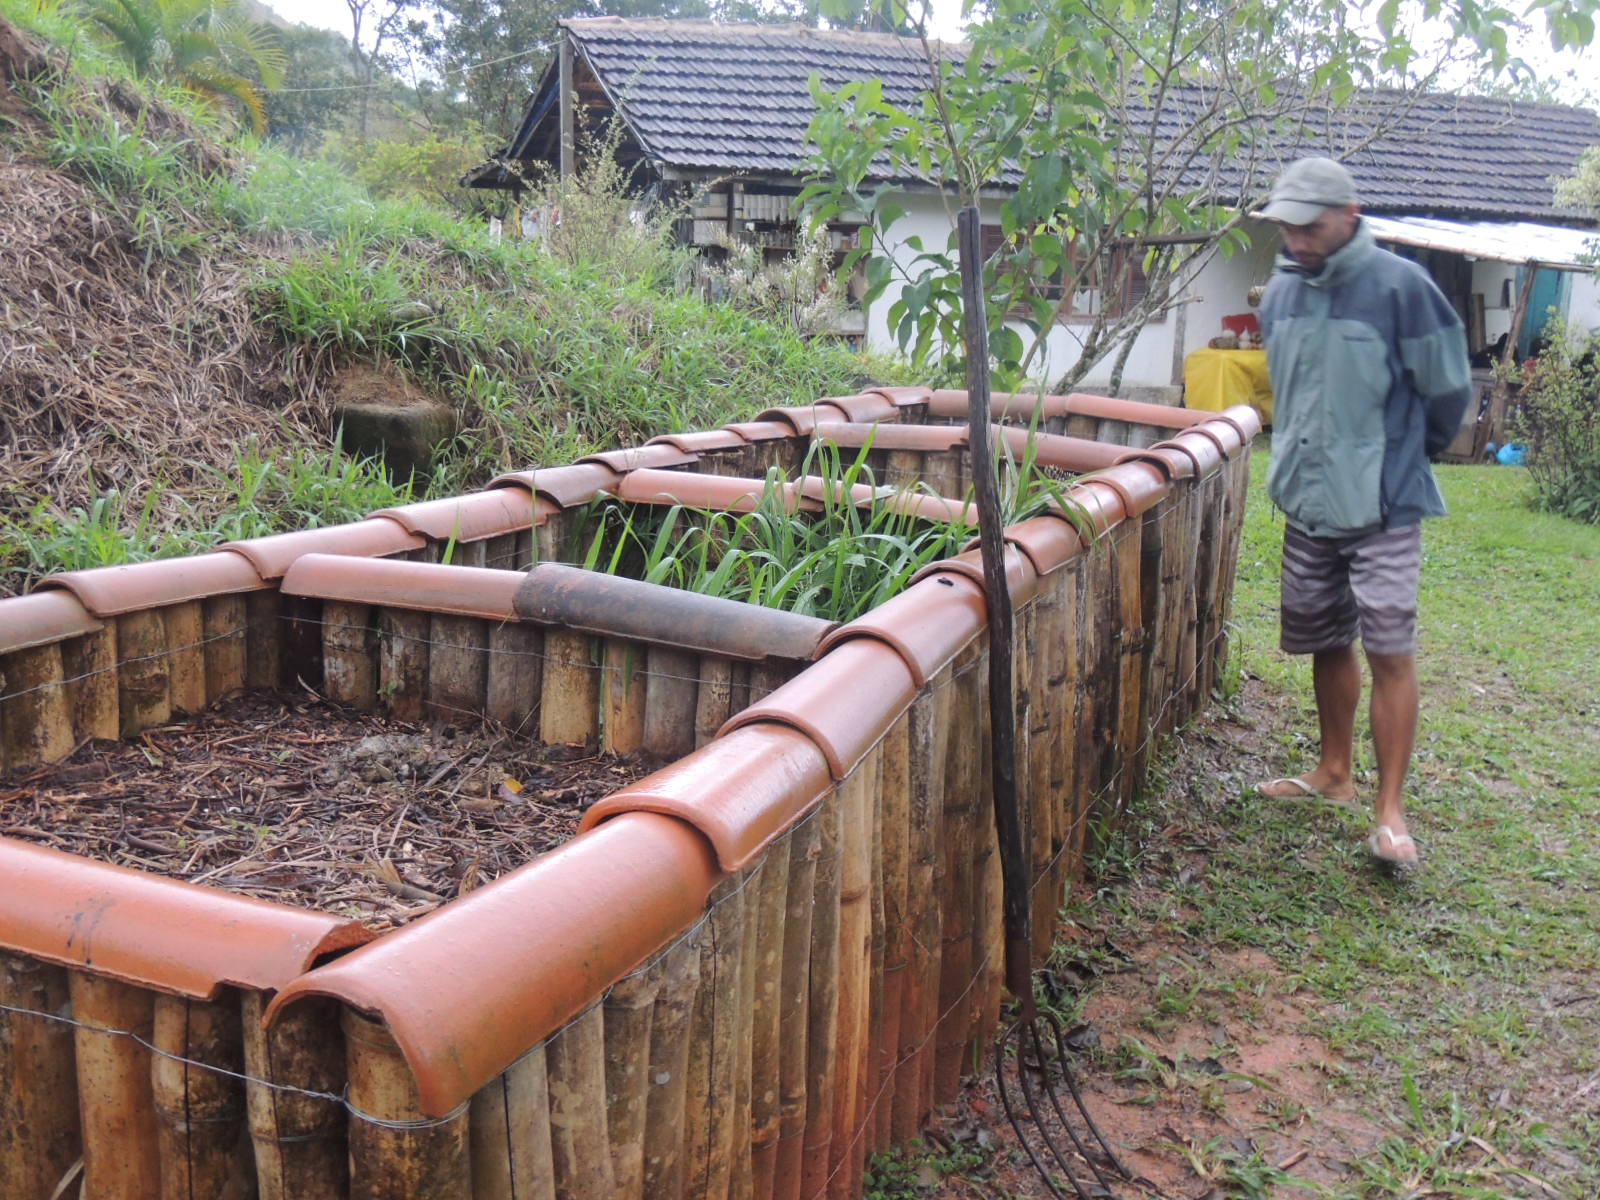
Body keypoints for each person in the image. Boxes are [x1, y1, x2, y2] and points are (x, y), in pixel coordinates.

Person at [1252, 156, 1472, 870]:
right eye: (1288, 226)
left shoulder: (1402, 289)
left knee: (1390, 648)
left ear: (1350, 214)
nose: (1298, 239)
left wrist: (1403, 458)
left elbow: (1447, 391)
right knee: (1324, 637)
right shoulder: (1281, 291)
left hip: (1382, 502)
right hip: (1308, 499)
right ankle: (1335, 774)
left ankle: (1391, 811)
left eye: (1311, 226)